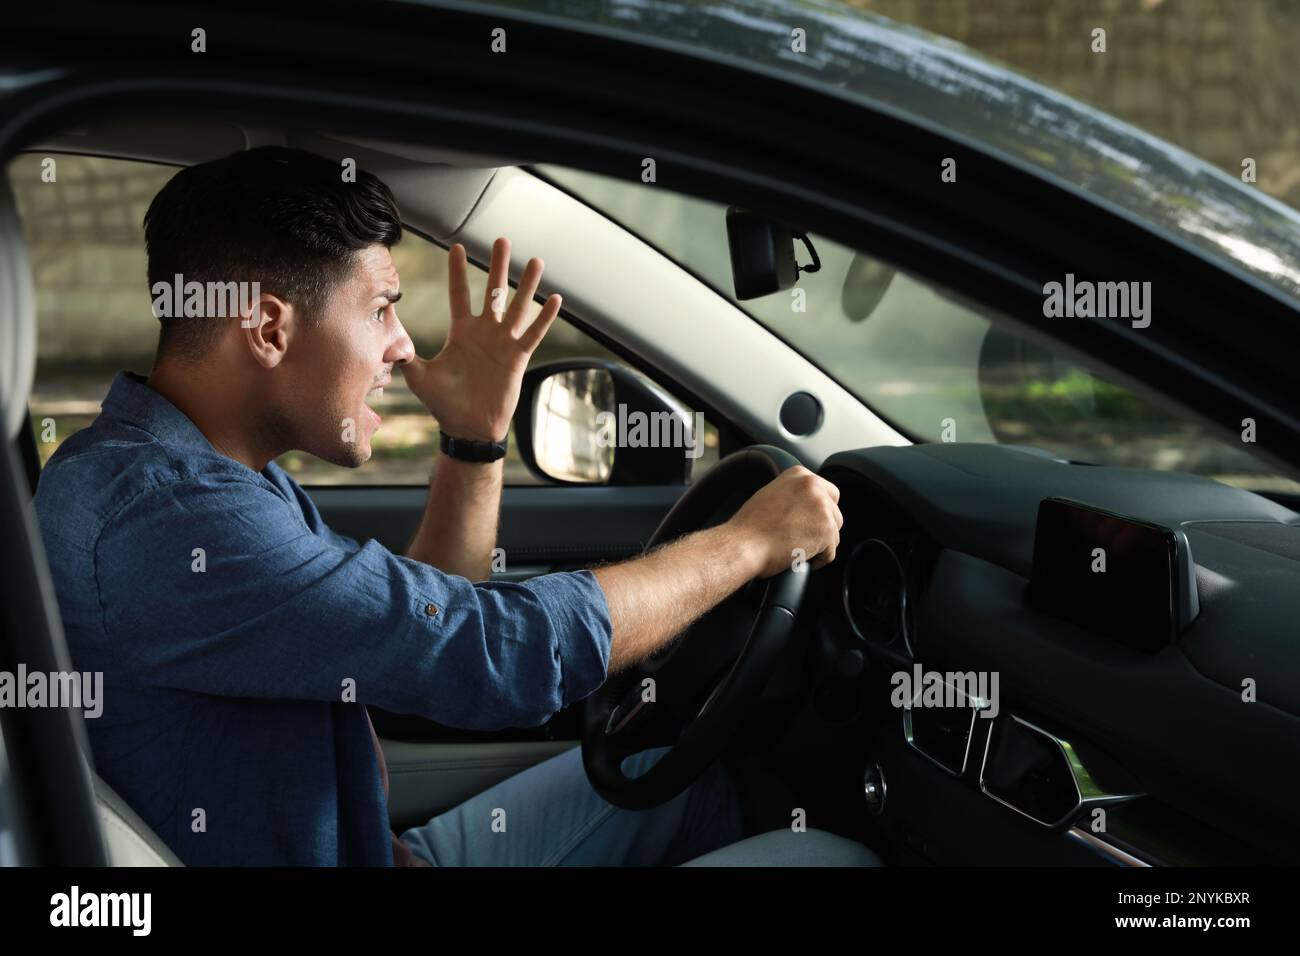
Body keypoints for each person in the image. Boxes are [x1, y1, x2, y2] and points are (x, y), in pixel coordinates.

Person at [33, 147, 843, 866]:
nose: (401, 344)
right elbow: (492, 653)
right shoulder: (172, 517)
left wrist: (475, 440)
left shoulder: (175, 466)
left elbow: (414, 631)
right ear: (268, 329)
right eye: (380, 307)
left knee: (683, 786)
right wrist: (747, 545)